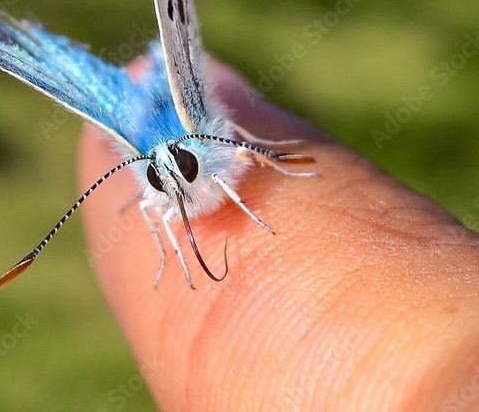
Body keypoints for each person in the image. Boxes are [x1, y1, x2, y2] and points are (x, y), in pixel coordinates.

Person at [79, 61, 479, 411]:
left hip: (176, 95)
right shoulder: (159, 186)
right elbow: (160, 210)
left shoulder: (205, 150)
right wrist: (171, 257)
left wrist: (263, 166)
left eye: (178, 171)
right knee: (156, 210)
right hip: (131, 111)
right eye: (158, 179)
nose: (178, 191)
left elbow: (229, 141)